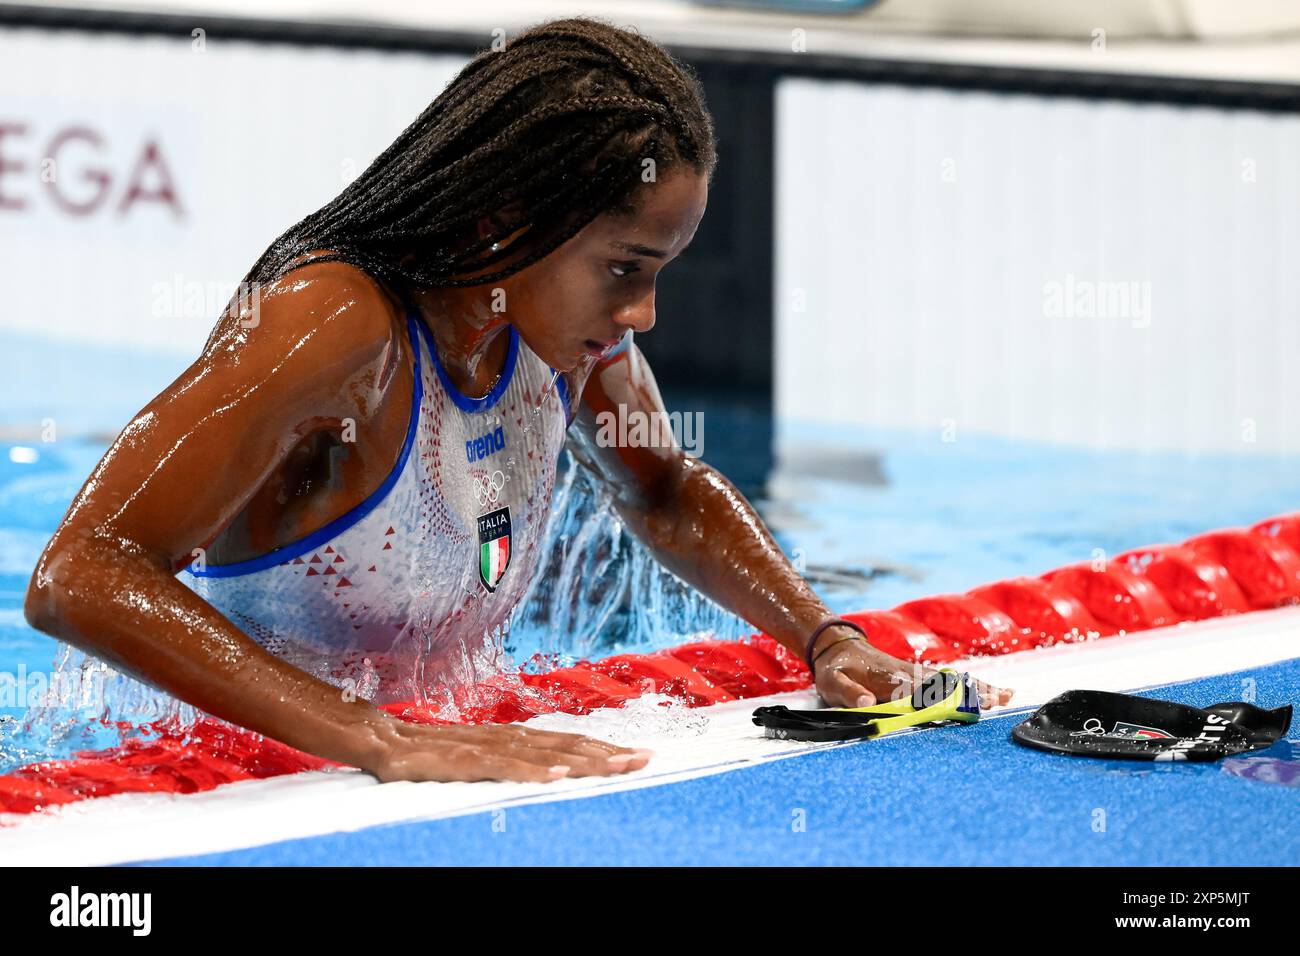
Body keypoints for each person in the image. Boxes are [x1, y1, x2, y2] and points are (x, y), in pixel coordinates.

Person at [24, 17, 1012, 784]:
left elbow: (664, 493)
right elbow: (80, 572)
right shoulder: (339, 327)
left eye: (659, 271)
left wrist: (825, 638)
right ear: (508, 224)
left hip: (413, 759)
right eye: (624, 268)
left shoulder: (562, 342)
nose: (643, 311)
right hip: (208, 775)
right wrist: (379, 738)